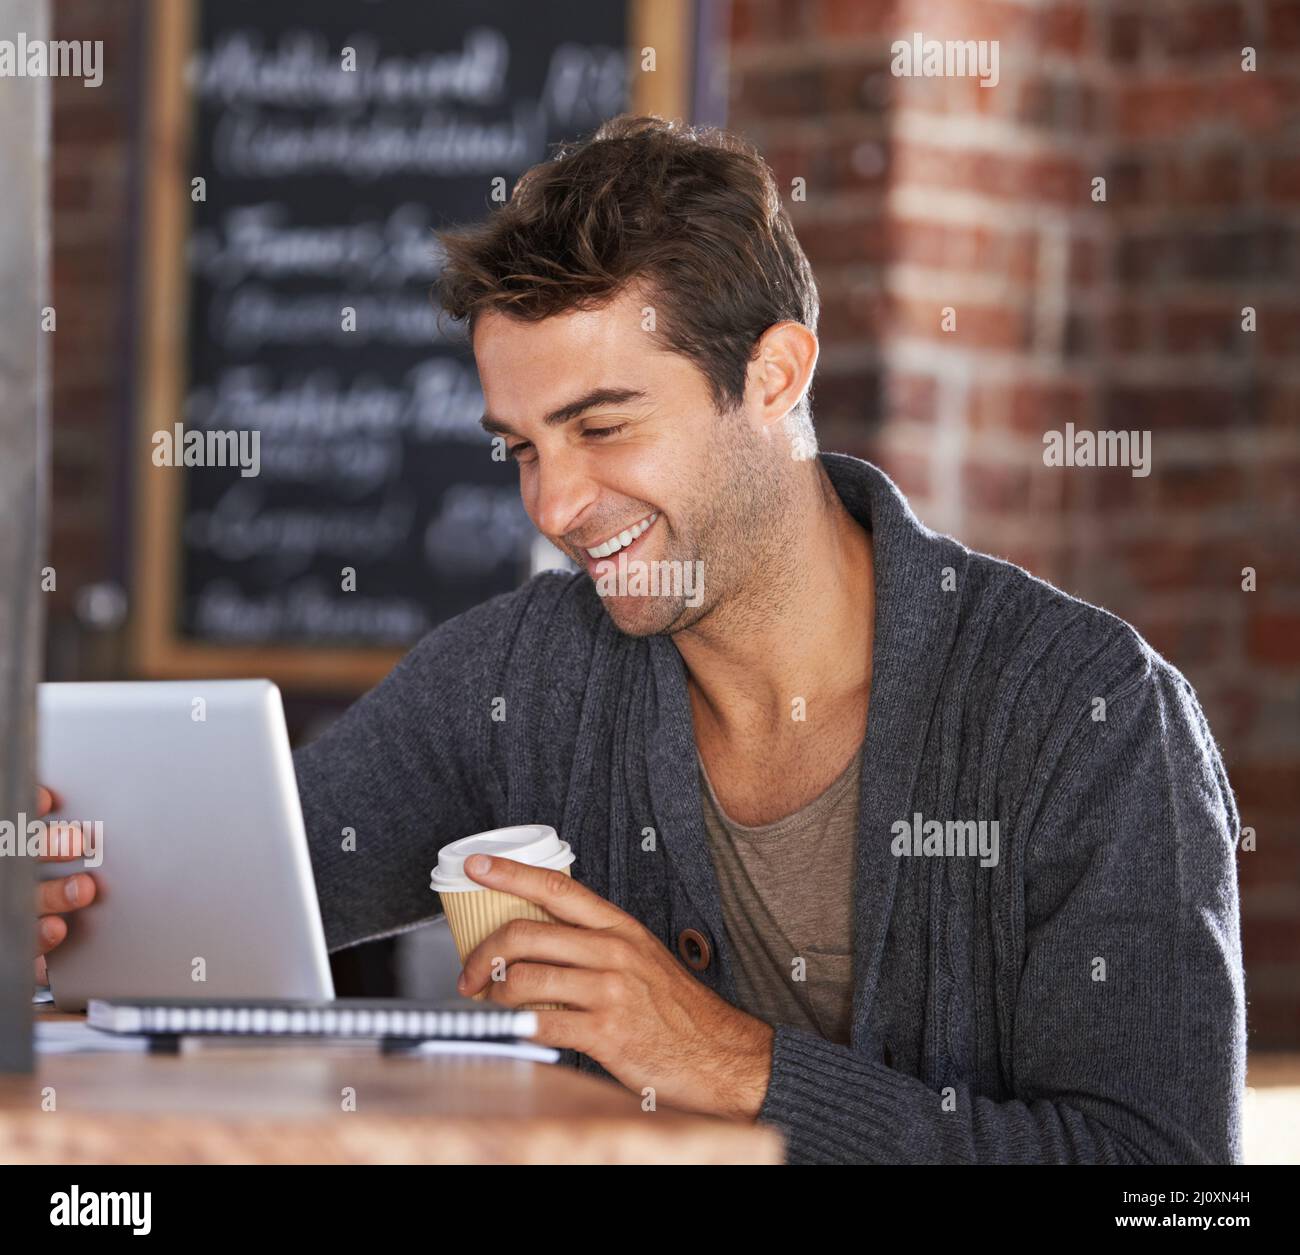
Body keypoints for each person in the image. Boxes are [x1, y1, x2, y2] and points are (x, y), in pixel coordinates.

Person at [35, 114, 1245, 1165]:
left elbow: (1164, 1185)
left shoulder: (1088, 712)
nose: (553, 507)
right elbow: (246, 891)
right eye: (521, 446)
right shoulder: (515, 677)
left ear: (773, 375)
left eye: (603, 425)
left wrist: (730, 1061)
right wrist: (59, 901)